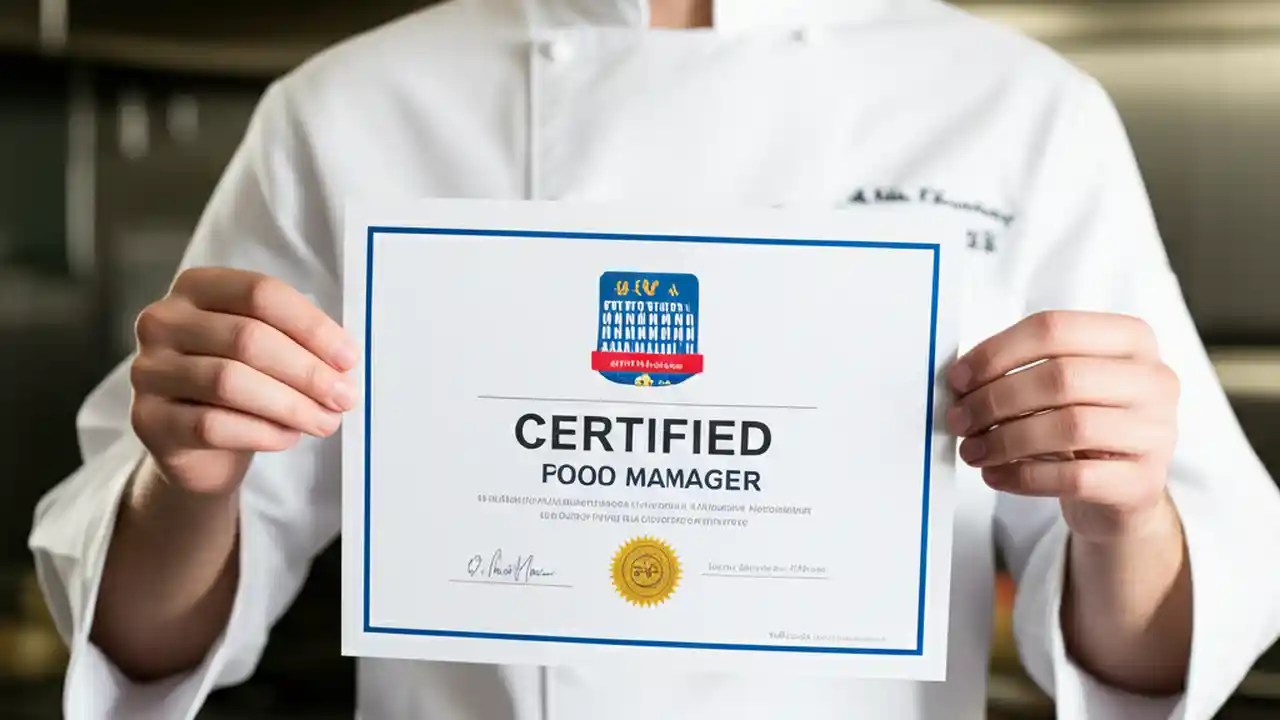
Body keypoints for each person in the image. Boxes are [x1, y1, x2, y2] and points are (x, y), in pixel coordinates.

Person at [27, 0, 1280, 718]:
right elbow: (141, 642)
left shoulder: (1015, 108)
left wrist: (1121, 518)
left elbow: (1162, 650)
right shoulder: (351, 109)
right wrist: (184, 477)